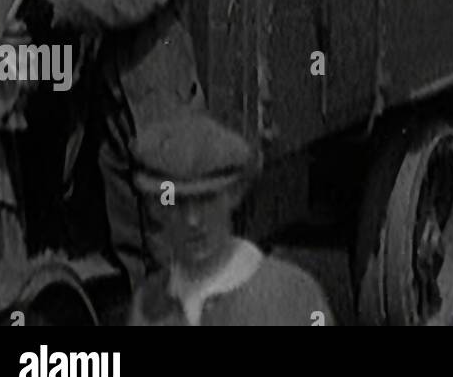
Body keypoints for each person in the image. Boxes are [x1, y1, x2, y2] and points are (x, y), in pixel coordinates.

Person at [7, 0, 204, 289]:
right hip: (116, 115)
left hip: (158, 113)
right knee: (128, 241)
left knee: (165, 239)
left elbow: (128, 3)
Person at [129, 113, 334, 326]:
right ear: (155, 208)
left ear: (234, 194)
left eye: (207, 199)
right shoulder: (149, 307)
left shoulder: (291, 295)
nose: (193, 219)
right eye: (177, 203)